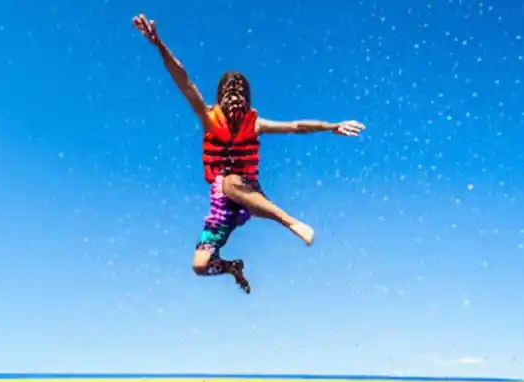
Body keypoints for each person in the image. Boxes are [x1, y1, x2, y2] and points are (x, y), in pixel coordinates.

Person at [132, 13, 365, 294]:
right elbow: (184, 82)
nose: (234, 97)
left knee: (230, 181)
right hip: (221, 209)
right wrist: (159, 44)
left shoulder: (254, 123)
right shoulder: (208, 117)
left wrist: (332, 126)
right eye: (228, 93)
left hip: (247, 190)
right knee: (199, 265)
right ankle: (232, 267)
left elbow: (295, 126)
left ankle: (289, 221)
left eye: (240, 93)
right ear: (219, 98)